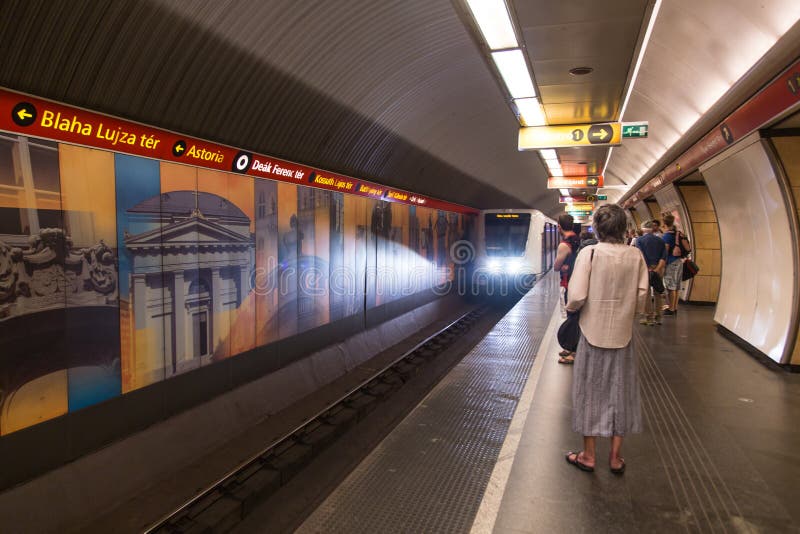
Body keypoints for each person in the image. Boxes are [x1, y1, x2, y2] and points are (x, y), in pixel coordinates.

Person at [564, 204, 648, 474]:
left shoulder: (589, 253)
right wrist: (627, 313)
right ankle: (615, 457)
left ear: (598, 228)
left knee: (589, 393)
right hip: (623, 335)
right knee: (620, 392)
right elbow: (642, 297)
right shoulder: (636, 255)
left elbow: (576, 296)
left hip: (591, 333)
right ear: (624, 228)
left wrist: (571, 311)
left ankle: (588, 456)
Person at [553, 214, 580, 364]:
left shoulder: (564, 244)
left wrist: (562, 266)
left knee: (572, 316)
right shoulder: (578, 239)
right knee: (574, 315)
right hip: (577, 281)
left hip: (568, 282)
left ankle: (574, 352)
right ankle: (570, 347)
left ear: (559, 226)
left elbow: (556, 267)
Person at [635, 221, 666, 325]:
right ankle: (658, 316)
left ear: (643, 229)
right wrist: (657, 269)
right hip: (658, 268)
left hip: (646, 268)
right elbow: (663, 257)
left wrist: (648, 268)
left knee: (647, 292)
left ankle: (648, 317)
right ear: (652, 229)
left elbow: (641, 255)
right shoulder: (660, 240)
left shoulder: (639, 240)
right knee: (658, 292)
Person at [661, 214, 684, 315]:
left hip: (671, 262)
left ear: (664, 223)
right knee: (677, 286)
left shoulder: (666, 236)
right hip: (679, 262)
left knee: (671, 286)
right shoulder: (677, 233)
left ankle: (671, 309)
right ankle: (674, 307)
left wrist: (662, 264)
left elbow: (665, 251)